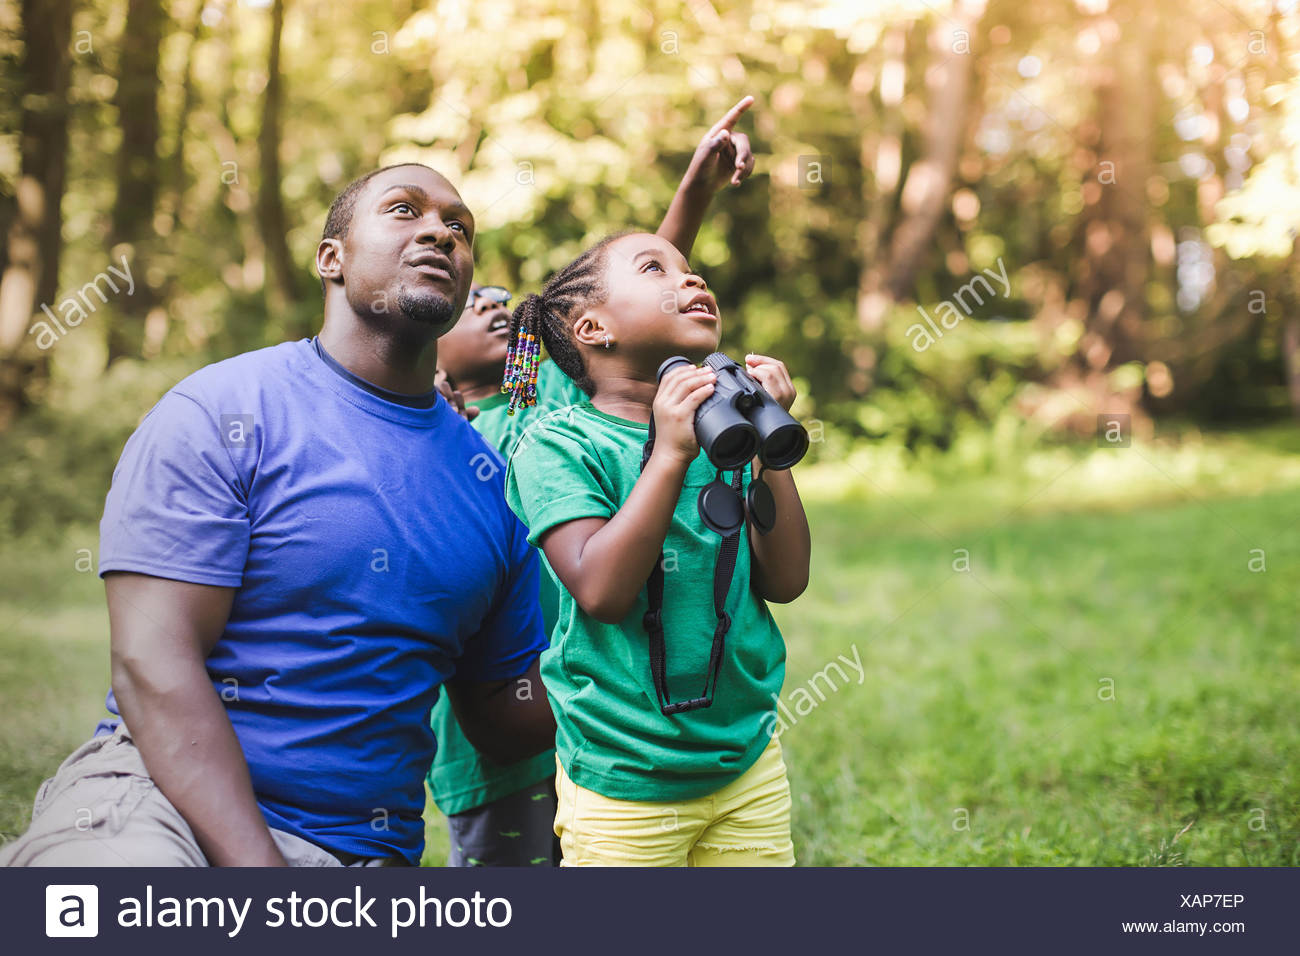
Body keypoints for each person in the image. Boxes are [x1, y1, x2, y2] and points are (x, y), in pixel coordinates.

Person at [0, 163, 554, 867]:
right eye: (404, 210)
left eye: (459, 228)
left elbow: (504, 718)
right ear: (333, 258)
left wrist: (662, 658)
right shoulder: (224, 411)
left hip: (358, 853)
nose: (440, 233)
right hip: (157, 807)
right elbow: (153, 662)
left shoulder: (491, 486)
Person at [429, 98, 759, 866]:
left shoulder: (539, 397)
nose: (487, 302)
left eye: (493, 297)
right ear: (428, 354)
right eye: (464, 304)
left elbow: (625, 313)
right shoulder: (437, 433)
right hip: (495, 714)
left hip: (592, 693)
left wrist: (694, 196)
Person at [502, 231, 811, 866]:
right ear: (593, 328)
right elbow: (602, 591)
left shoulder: (726, 429)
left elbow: (786, 579)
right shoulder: (559, 445)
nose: (692, 279)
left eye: (691, 268)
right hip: (625, 774)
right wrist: (669, 453)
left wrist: (771, 447)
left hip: (743, 757)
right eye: (655, 269)